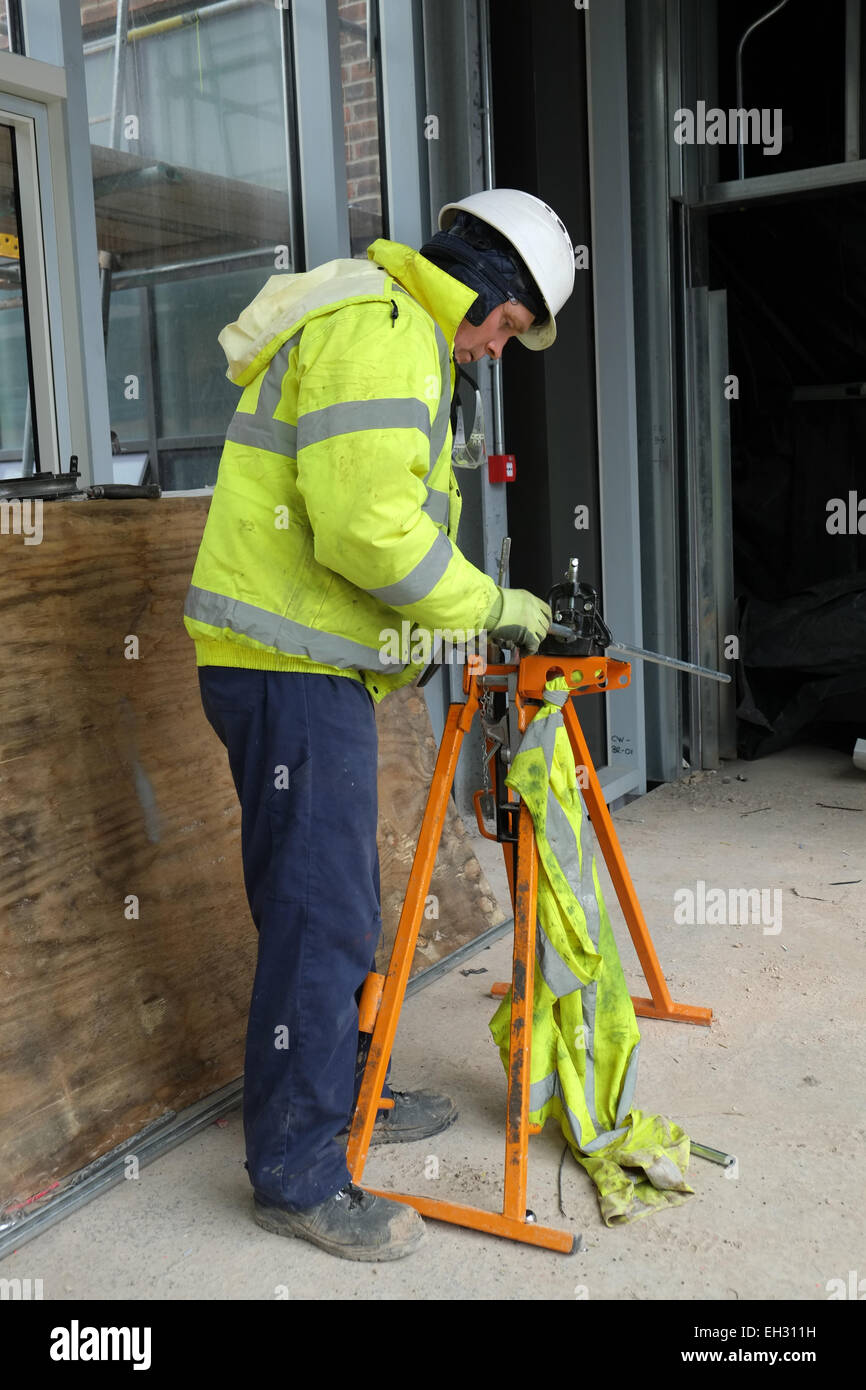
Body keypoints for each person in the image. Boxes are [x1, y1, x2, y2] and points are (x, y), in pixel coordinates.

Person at [184, 188, 576, 1261]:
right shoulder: (387, 327)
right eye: (503, 327)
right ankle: (302, 1172)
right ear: (485, 287)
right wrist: (491, 606)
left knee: (321, 904)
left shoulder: (386, 321)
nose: (497, 350)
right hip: (288, 667)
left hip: (298, 668)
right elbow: (365, 527)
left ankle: (343, 1094)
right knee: (324, 916)